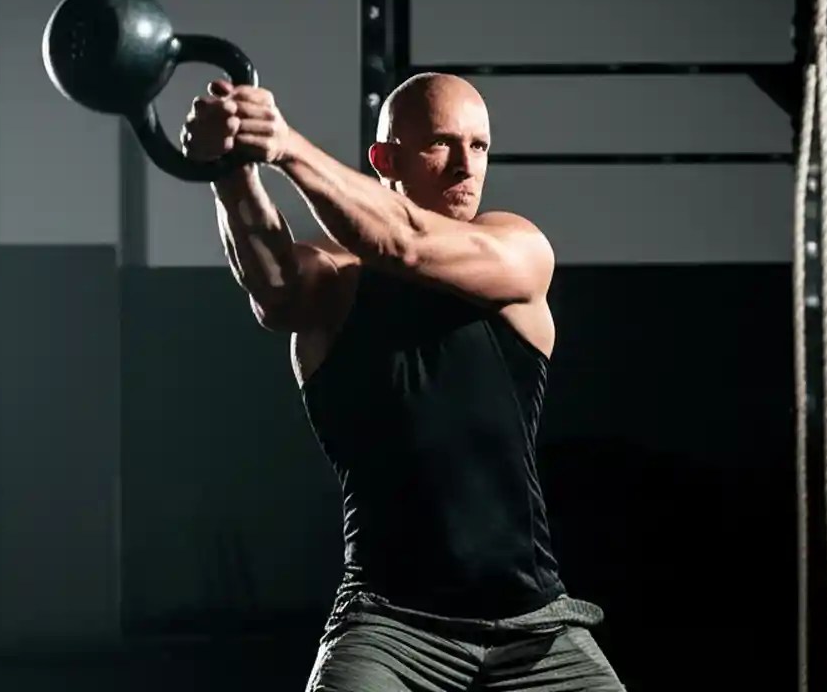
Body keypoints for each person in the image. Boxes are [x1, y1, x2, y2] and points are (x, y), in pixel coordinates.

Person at [180, 72, 625, 691]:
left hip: (537, 629)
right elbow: (275, 288)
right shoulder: (336, 281)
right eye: (441, 144)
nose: (465, 167)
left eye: (480, 146)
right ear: (386, 159)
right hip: (391, 629)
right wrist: (232, 172)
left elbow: (406, 242)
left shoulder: (518, 251)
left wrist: (286, 145)